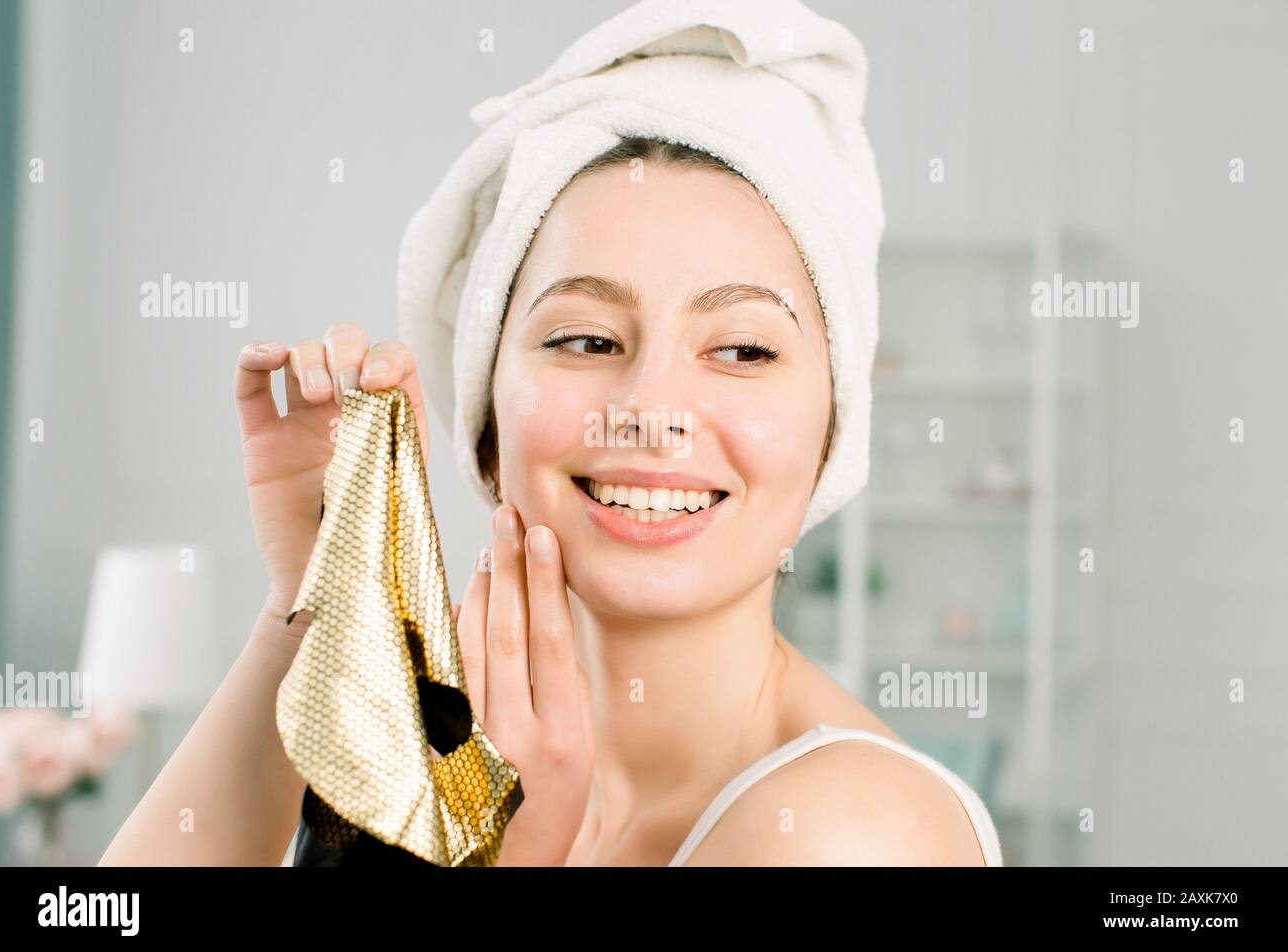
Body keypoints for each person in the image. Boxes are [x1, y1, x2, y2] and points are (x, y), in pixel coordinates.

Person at [100, 136, 999, 866]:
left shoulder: (848, 834)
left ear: (830, 434)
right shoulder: (473, 760)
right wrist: (320, 604)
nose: (651, 414)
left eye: (744, 351)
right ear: (486, 426)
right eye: (585, 338)